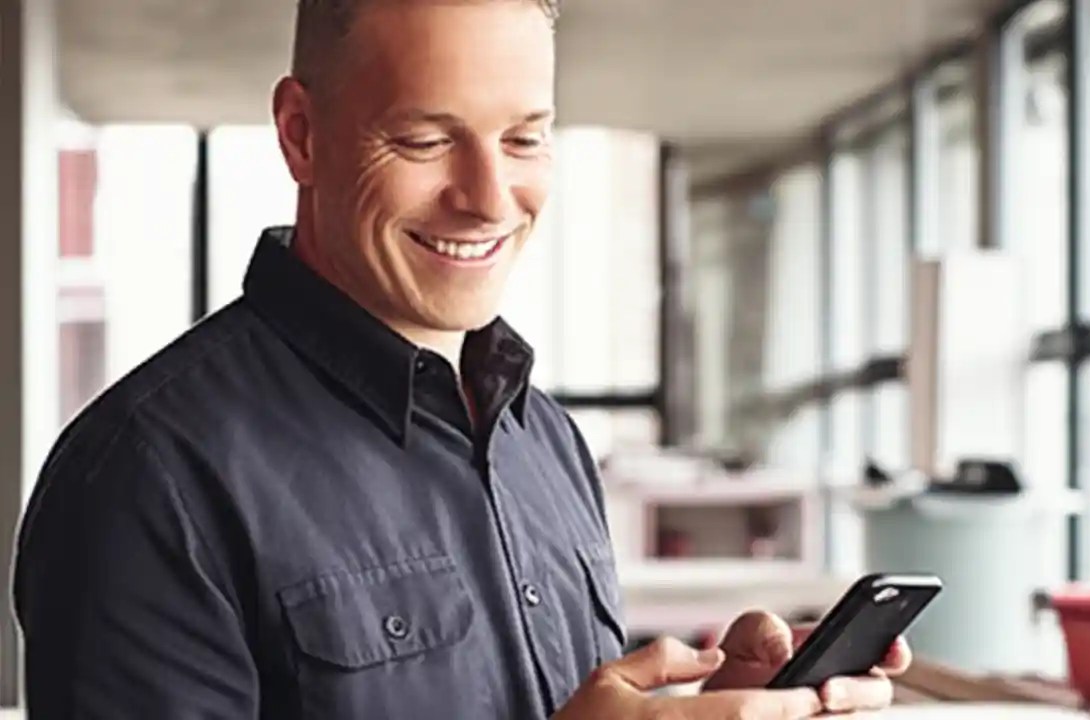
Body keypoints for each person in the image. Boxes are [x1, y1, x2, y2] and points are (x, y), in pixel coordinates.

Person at [12, 0, 911, 717]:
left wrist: (708, 711)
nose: (488, 199)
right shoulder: (147, 472)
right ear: (300, 134)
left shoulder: (545, 439)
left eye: (523, 138)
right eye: (425, 140)